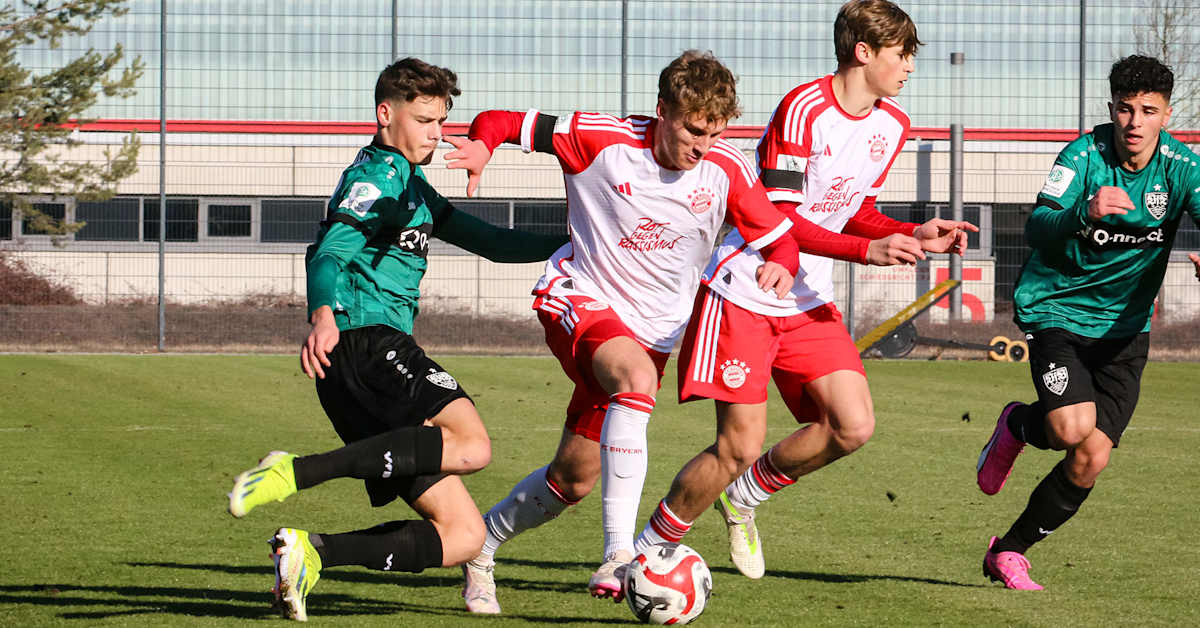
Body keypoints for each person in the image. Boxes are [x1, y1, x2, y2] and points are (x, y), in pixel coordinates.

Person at [444, 50, 900, 614]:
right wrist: (482, 145)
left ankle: (481, 547)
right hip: (579, 297)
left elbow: (779, 235)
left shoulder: (726, 170)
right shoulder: (598, 138)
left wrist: (780, 261)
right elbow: (503, 122)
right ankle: (619, 557)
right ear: (662, 110)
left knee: (574, 478)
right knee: (634, 381)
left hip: (652, 333)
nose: (701, 144)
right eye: (691, 128)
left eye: (714, 131)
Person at [631, 0, 976, 579]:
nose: (910, 66)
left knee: (853, 425)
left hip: (806, 297)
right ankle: (647, 550)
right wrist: (869, 249)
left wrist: (908, 230)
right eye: (902, 54)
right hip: (745, 288)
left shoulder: (893, 125)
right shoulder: (803, 108)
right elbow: (778, 220)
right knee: (736, 447)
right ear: (863, 52)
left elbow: (855, 208)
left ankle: (743, 498)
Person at [224, 57, 567, 621]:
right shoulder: (375, 177)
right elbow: (332, 249)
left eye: (443, 121)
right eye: (426, 119)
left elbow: (493, 242)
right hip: (366, 345)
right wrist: (323, 314)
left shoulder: (413, 185)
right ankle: (294, 471)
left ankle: (312, 553)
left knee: (462, 534)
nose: (438, 133)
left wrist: (579, 240)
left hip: (359, 369)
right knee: (473, 445)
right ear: (386, 114)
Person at [975, 54, 1200, 590]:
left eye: (1148, 110)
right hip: (1056, 310)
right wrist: (1086, 213)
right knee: (1071, 427)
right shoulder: (1082, 156)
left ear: (1167, 114)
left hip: (1126, 329)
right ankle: (1019, 426)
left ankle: (1008, 552)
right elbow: (1038, 226)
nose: (1135, 123)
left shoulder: (1183, 168)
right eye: (1125, 109)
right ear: (1111, 110)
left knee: (1091, 455)